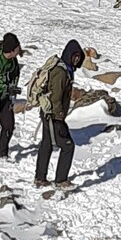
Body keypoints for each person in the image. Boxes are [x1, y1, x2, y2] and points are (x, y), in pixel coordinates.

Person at [33, 39, 86, 187]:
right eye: (74, 56)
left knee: (47, 144)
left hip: (48, 113)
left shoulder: (66, 69)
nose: (76, 59)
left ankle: (40, 178)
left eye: (78, 57)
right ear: (68, 54)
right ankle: (61, 180)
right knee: (68, 146)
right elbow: (55, 96)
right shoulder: (61, 72)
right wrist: (60, 116)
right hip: (53, 115)